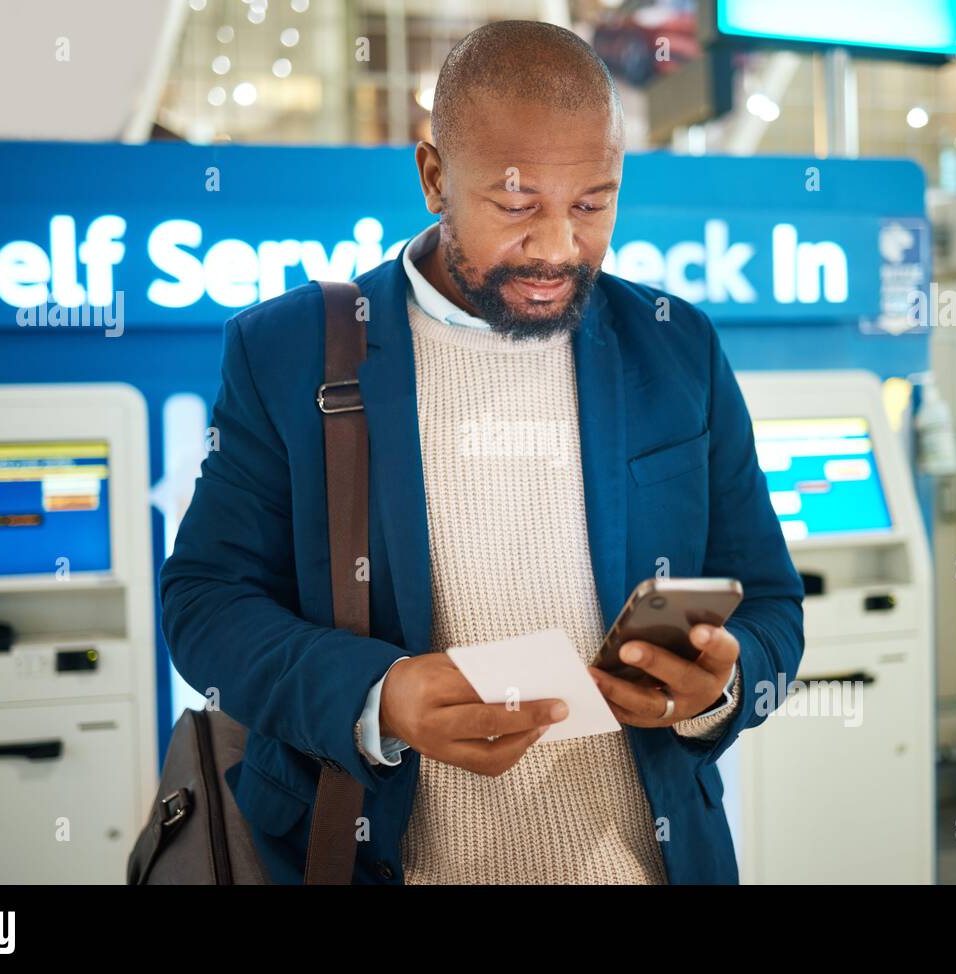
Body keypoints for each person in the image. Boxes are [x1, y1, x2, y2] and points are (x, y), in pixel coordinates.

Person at [160, 20, 804, 885]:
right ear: (433, 176)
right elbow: (205, 603)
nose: (557, 249)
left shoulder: (673, 346)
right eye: (516, 206)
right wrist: (378, 695)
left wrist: (716, 691)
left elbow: (768, 603)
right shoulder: (292, 351)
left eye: (591, 204)